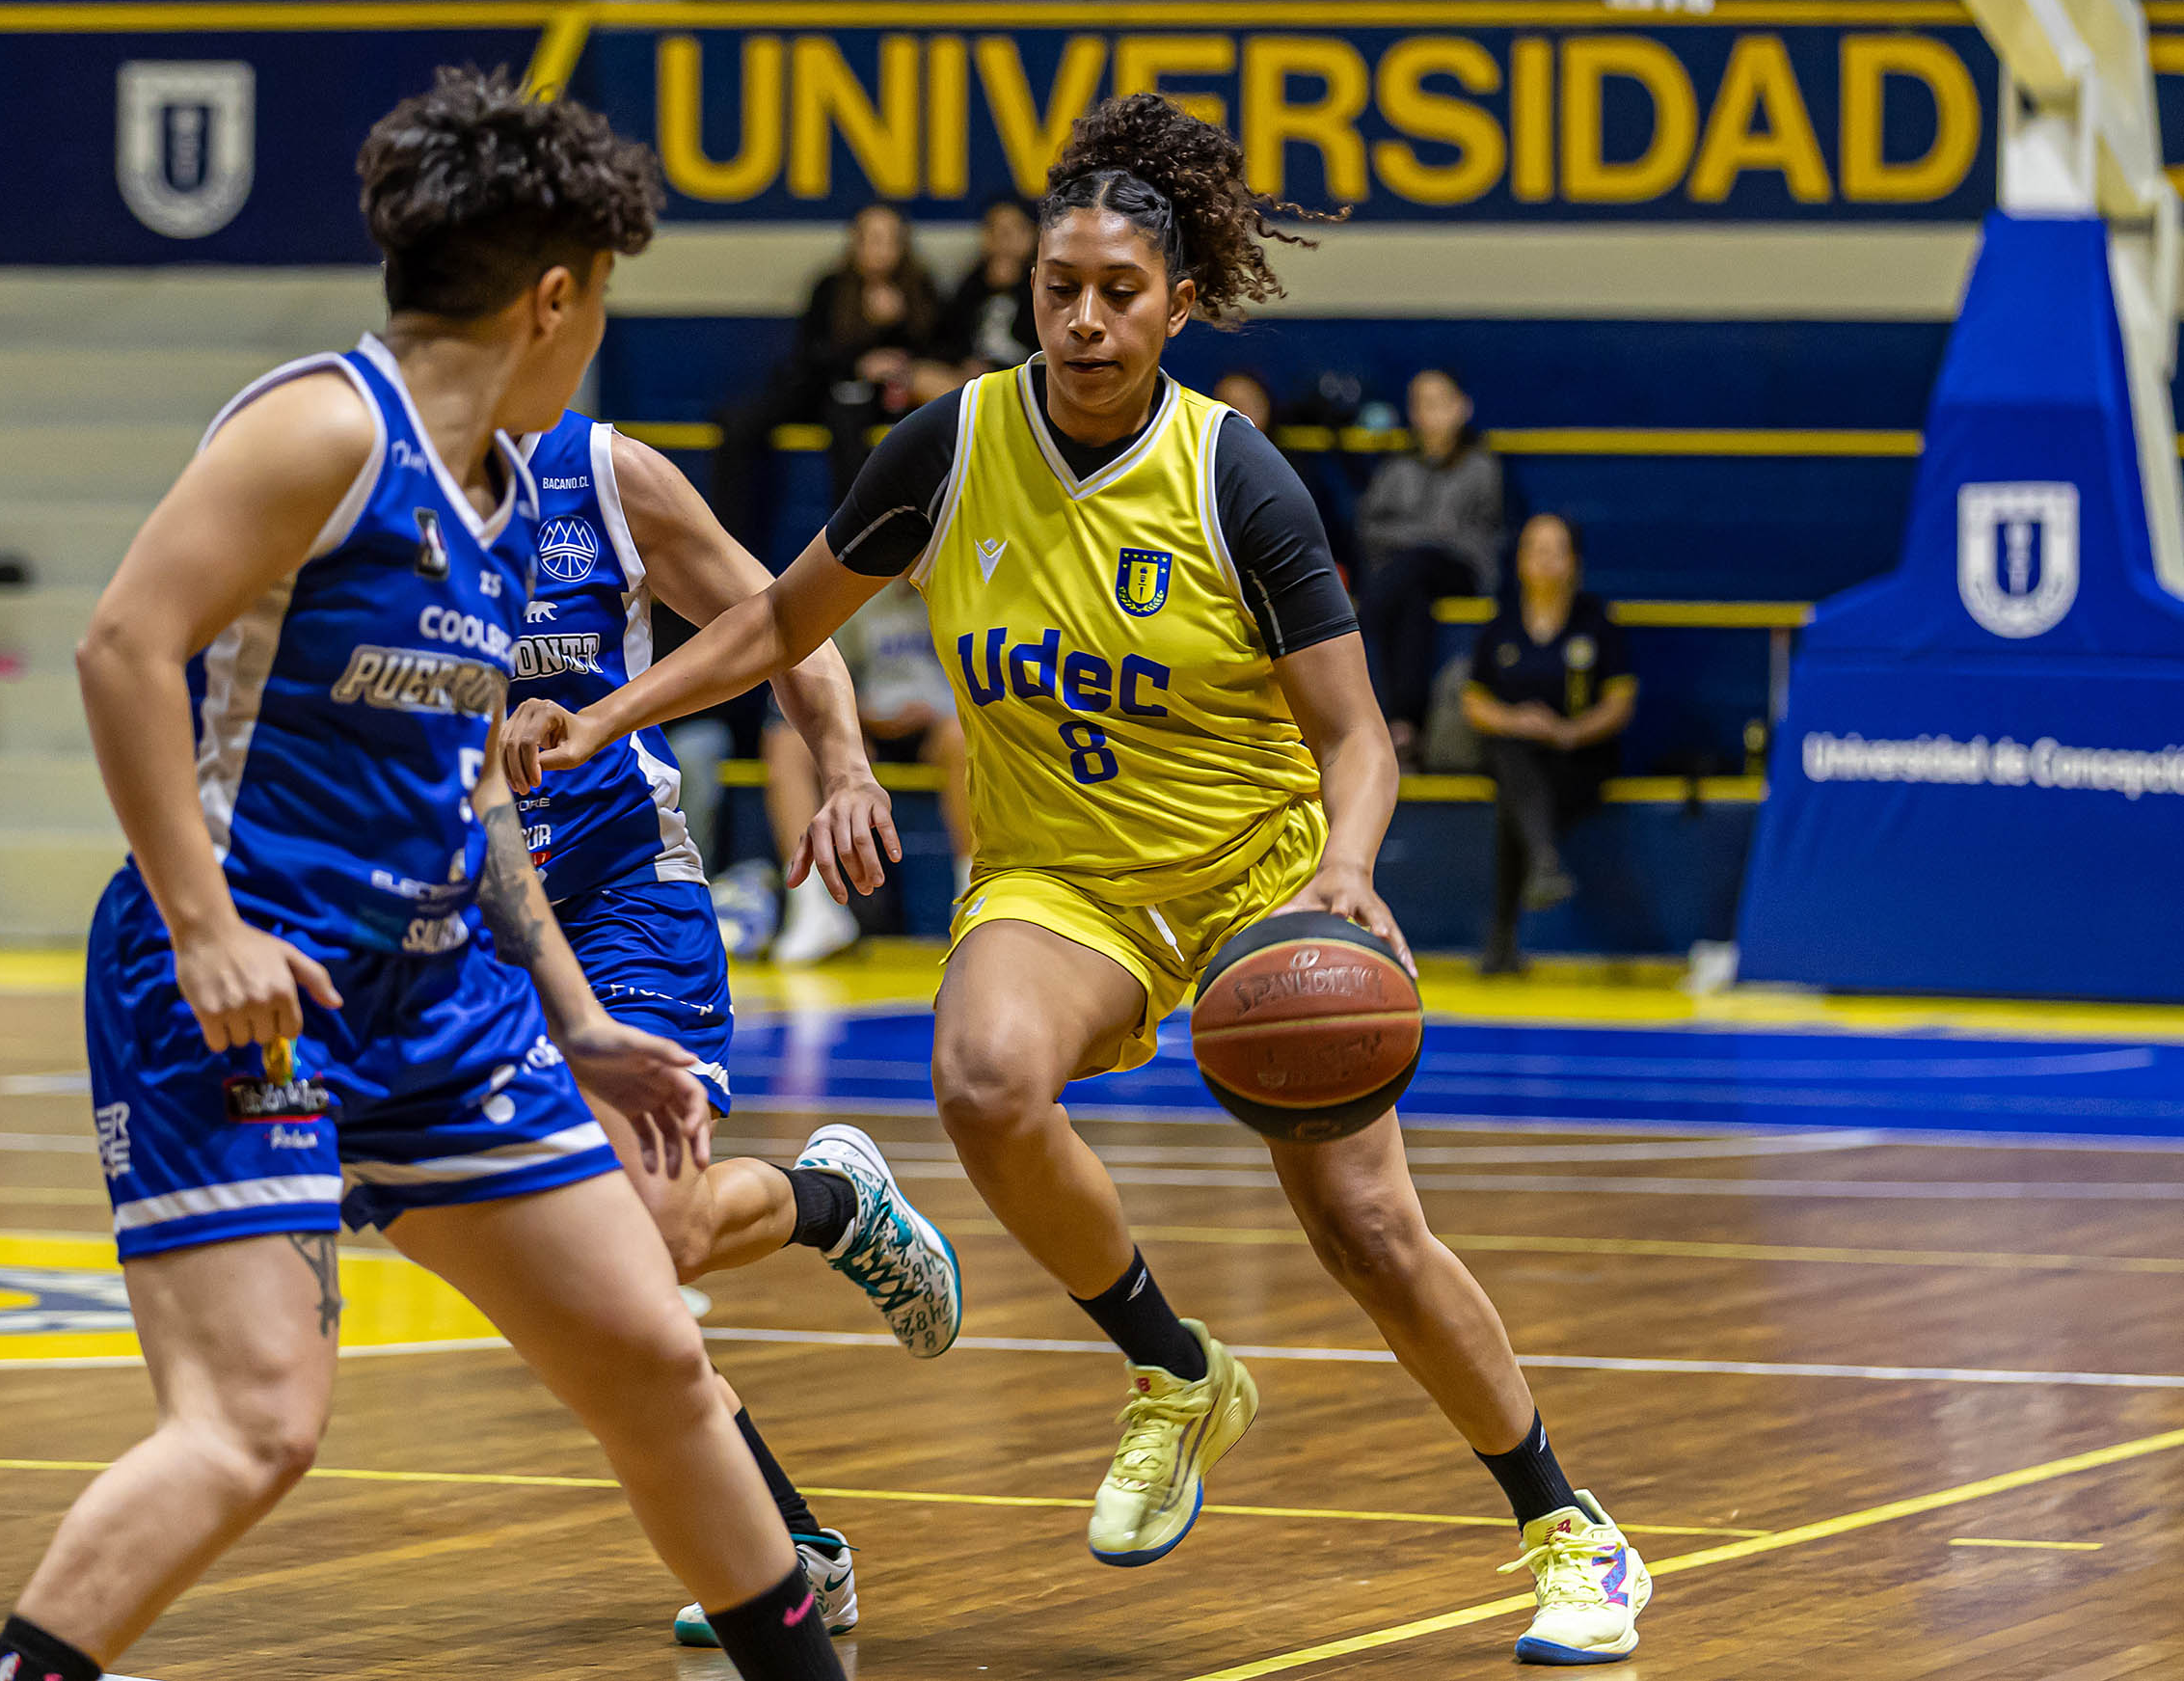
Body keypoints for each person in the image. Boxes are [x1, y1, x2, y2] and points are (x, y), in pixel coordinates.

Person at [507, 92, 1654, 1667]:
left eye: (1122, 289)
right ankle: (1175, 1371)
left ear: (1180, 304)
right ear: (1028, 293)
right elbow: (778, 624)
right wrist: (605, 718)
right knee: (981, 1080)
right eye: (1061, 286)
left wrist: (1347, 867)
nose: (1088, 315)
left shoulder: (1234, 478)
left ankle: (1565, 1526)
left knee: (1364, 1228)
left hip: (1257, 875)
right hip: (1064, 880)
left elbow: (1358, 730)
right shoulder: (954, 443)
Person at [0, 70, 850, 1681]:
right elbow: (120, 646)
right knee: (256, 1429)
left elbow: (467, 793)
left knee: (650, 1351)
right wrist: (205, 923)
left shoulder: (515, 494)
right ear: (557, 297)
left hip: (442, 999)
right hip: (252, 990)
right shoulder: (321, 426)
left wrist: (577, 1015)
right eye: (599, 308)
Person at [507, 410, 965, 1645]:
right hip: (469, 919)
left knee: (645, 1237)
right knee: (587, 1293)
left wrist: (848, 766)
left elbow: (785, 623)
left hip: (616, 898)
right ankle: (795, 1542)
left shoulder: (602, 474)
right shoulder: (364, 483)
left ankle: (831, 1204)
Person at [762, 578, 974, 965]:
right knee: (785, 742)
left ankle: (973, 904)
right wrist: (856, 724)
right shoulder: (860, 590)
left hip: (942, 725)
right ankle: (812, 908)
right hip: (871, 726)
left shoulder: (964, 586)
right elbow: (829, 674)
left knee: (960, 737)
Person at [1461, 514, 1637, 976]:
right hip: (1517, 754)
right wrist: (1519, 720)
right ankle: (1543, 862)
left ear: (1574, 563)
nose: (1546, 559)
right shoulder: (1502, 626)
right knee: (1511, 759)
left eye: (1556, 549)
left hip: (1579, 757)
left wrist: (1569, 732)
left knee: (1515, 795)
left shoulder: (1596, 622)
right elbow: (1474, 702)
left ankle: (1503, 935)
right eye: (1536, 549)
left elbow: (1621, 701)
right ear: (1520, 561)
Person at [709, 203, 939, 556]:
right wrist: (860, 360)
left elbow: (934, 356)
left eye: (888, 240)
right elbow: (811, 355)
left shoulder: (919, 291)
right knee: (738, 423)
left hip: (874, 405)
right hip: (816, 389)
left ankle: (855, 552)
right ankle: (725, 546)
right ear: (855, 243)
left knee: (850, 426)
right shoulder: (831, 287)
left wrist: (895, 325)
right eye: (870, 239)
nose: (879, 249)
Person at [1358, 368, 1505, 764]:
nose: (1430, 414)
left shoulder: (1482, 468)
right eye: (1420, 404)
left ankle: (1365, 614)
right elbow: (1369, 530)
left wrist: (1415, 537)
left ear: (1462, 408)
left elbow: (1469, 541)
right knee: (1413, 598)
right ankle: (1405, 723)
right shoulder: (1397, 469)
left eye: (1439, 402)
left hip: (1462, 572)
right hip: (1408, 582)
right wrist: (1428, 535)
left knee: (1415, 567)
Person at [910, 197, 1040, 404]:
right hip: (973, 380)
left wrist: (1016, 286)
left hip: (1025, 380)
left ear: (1033, 234)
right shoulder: (973, 283)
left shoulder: (1046, 283)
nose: (1003, 239)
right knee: (921, 377)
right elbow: (944, 339)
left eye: (1012, 230)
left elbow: (1047, 345)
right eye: (995, 230)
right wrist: (964, 361)